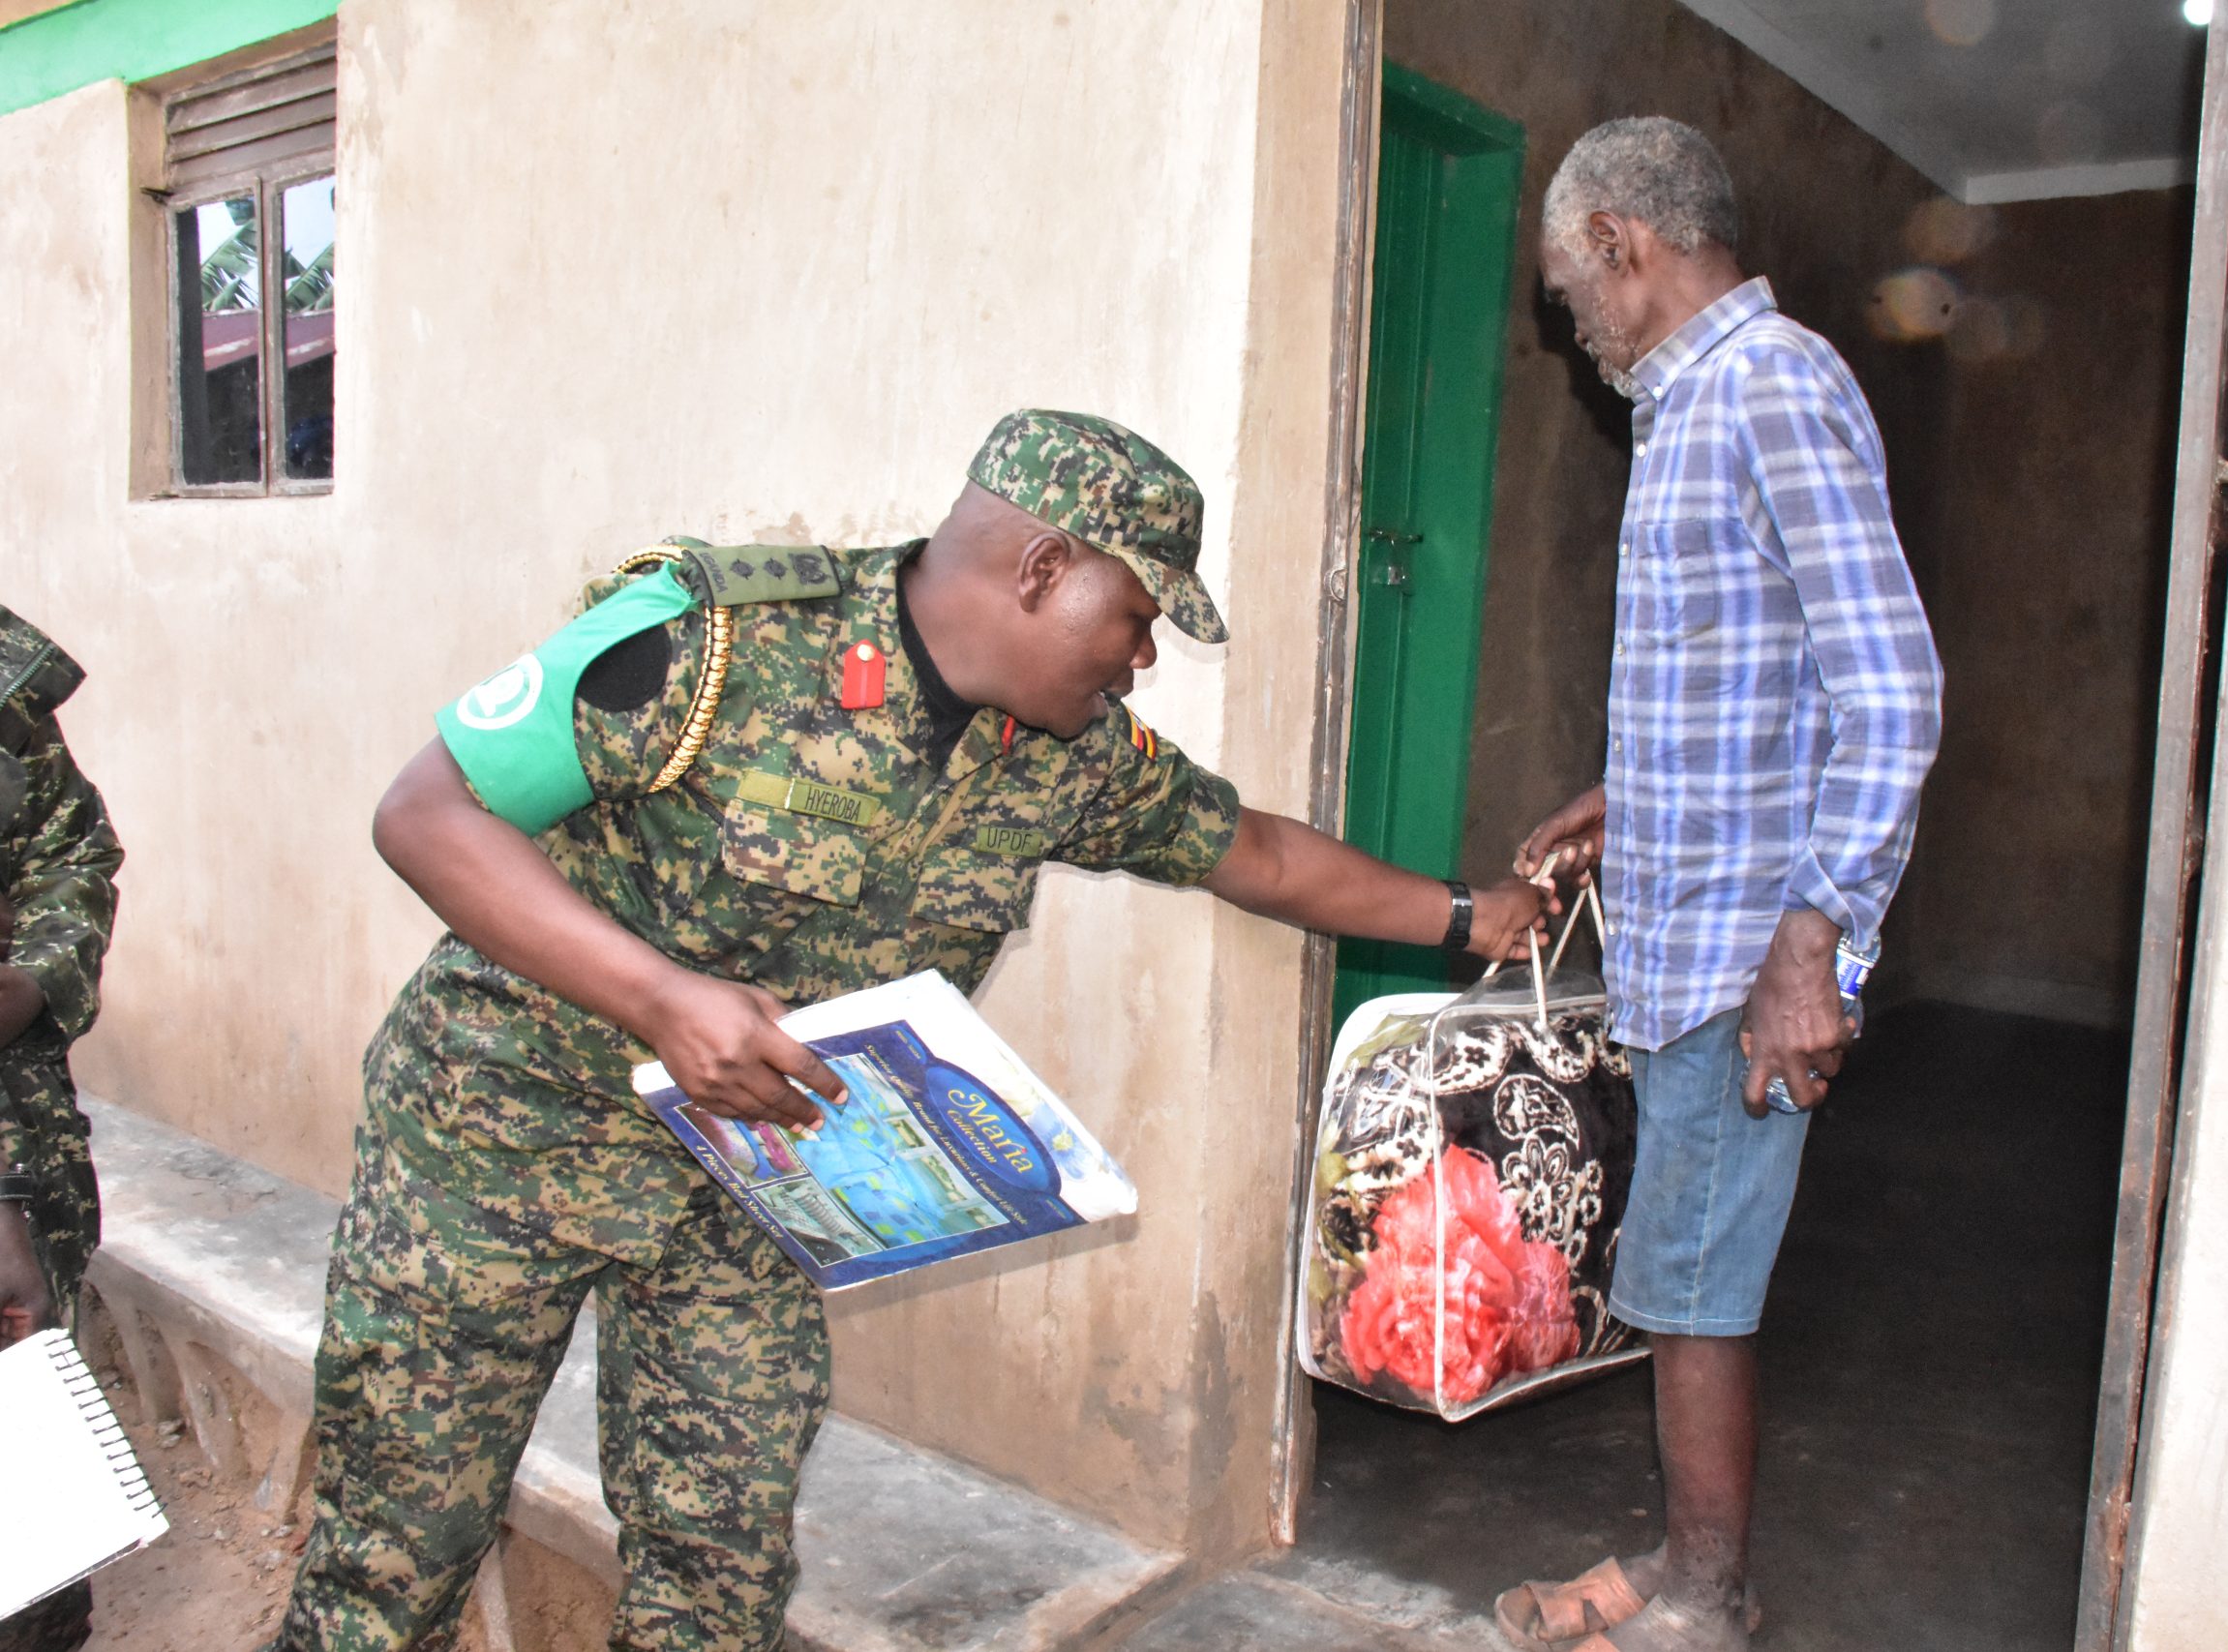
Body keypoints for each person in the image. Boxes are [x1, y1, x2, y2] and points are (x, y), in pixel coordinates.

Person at [271, 408, 1549, 1651]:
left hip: (743, 1181)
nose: (1142, 655)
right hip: (503, 1140)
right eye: (1139, 614)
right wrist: (662, 996)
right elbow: (427, 813)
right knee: (396, 1549)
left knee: (721, 1562)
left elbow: (1253, 850)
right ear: (1045, 567)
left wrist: (1464, 914)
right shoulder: (717, 643)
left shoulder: (1066, 755)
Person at [1498, 120, 1942, 1652]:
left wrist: (1811, 944)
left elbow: (1889, 689)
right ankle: (1686, 1557)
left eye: (1571, 294)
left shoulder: (1772, 385)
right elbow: (1765, 672)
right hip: (1694, 928)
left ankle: (1706, 1593)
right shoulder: (1693, 410)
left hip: (1742, 957)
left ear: (1622, 240)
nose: (1577, 329)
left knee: (1692, 1286)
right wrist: (1630, 794)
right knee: (1681, 1265)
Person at [0, 608, 126, 1652]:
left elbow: (71, 849)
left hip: (12, 1108)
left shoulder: (5, 689)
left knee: (24, 1397)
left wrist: (35, 978)